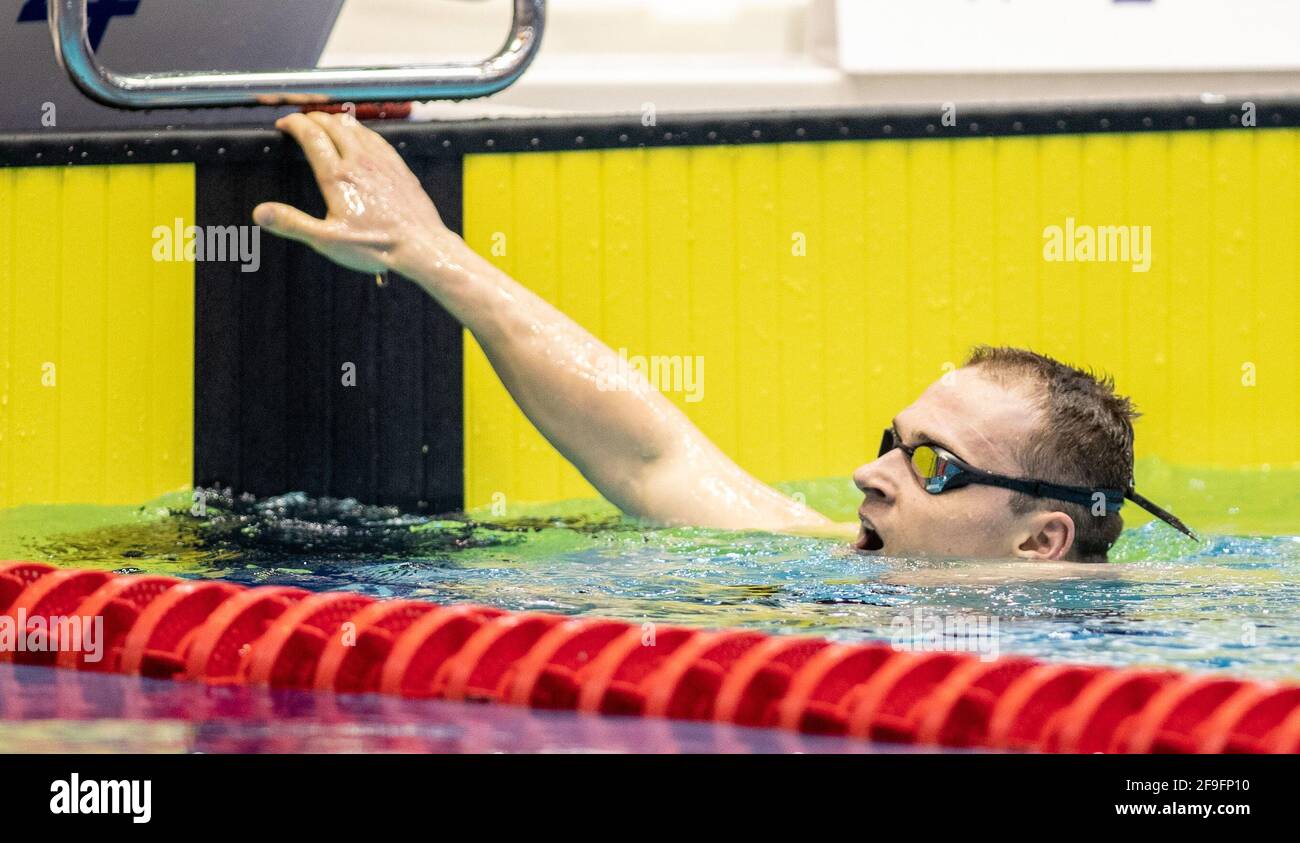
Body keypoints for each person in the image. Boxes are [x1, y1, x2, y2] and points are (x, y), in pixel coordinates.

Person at [253, 112, 1194, 564]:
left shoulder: (1127, 661)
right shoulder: (837, 560)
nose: (872, 475)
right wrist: (433, 253)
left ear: (1043, 539)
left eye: (932, 467)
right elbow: (651, 452)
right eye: (891, 445)